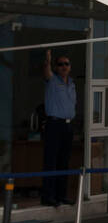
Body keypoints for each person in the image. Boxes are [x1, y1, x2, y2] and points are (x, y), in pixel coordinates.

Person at [42, 49, 76, 206]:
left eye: (66, 64)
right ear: (56, 67)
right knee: (51, 161)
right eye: (60, 64)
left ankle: (61, 195)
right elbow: (46, 71)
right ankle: (48, 197)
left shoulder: (72, 83)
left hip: (68, 125)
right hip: (54, 124)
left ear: (70, 66)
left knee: (64, 161)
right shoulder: (52, 80)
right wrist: (48, 59)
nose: (63, 67)